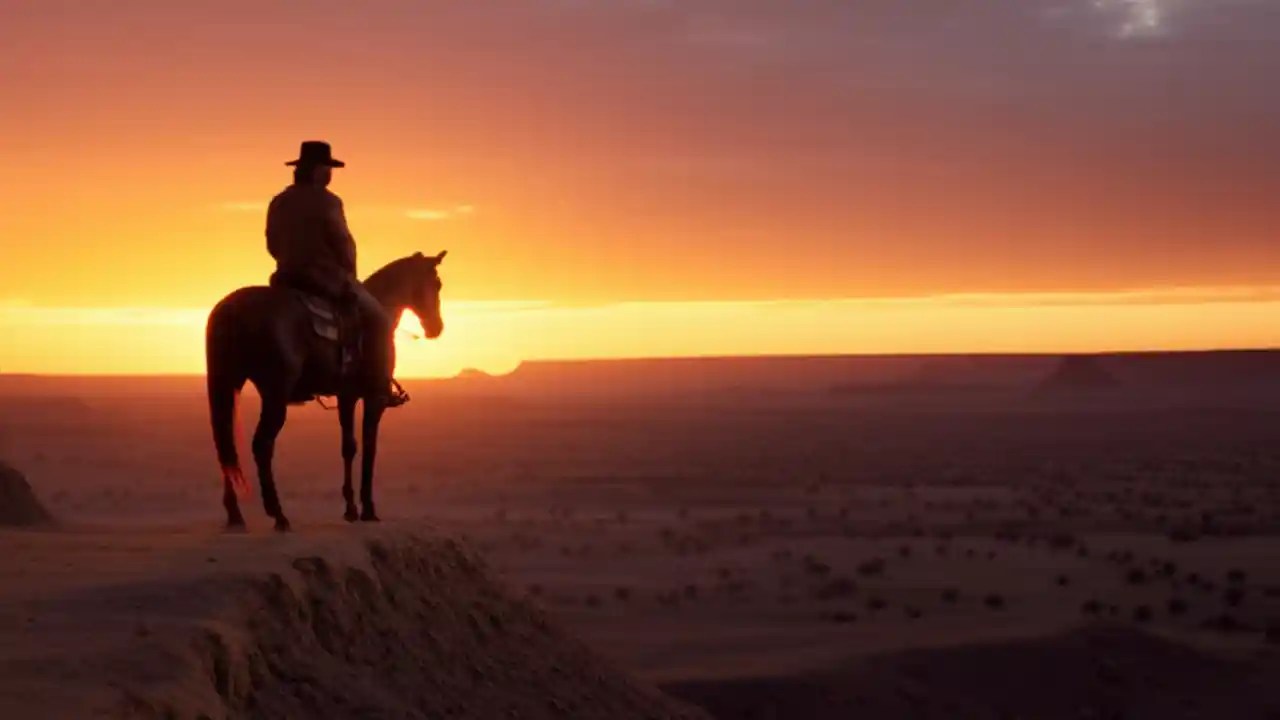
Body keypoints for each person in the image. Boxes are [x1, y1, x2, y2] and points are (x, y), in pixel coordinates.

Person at [265, 140, 406, 407]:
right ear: (318, 170)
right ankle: (380, 386)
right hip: (324, 279)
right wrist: (350, 275)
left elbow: (272, 243)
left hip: (285, 278)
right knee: (380, 320)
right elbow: (343, 242)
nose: (330, 174)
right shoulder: (329, 202)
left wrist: (289, 261)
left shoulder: (279, 201)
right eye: (328, 168)